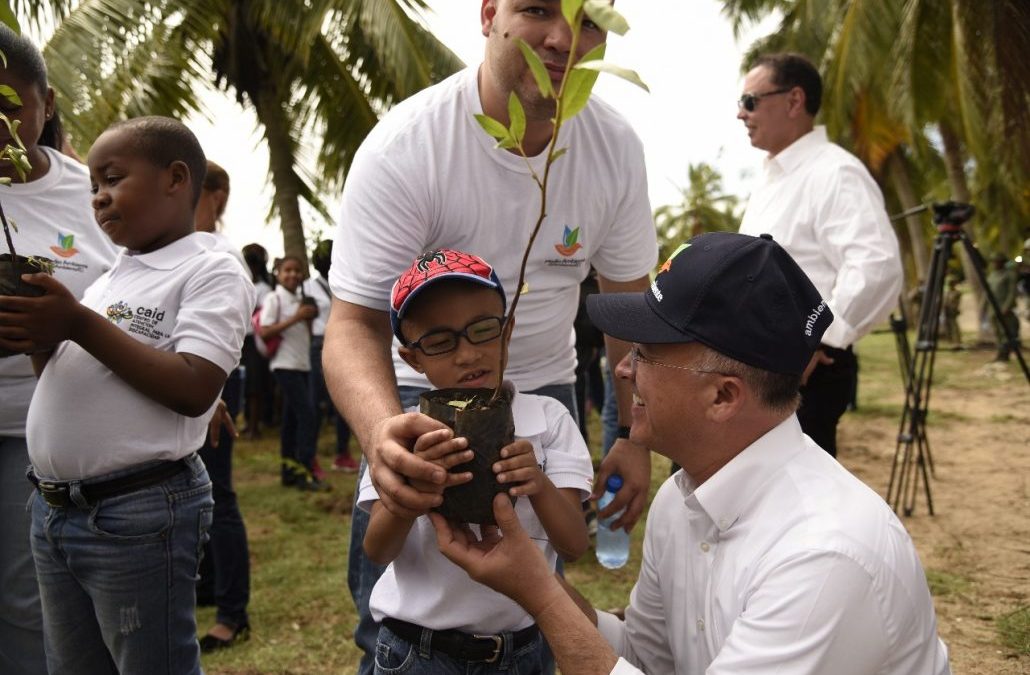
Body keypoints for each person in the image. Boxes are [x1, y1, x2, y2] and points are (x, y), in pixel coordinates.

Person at [432, 232, 952, 675]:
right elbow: (647, 657)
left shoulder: (822, 555)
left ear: (723, 396)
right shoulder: (681, 500)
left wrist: (542, 598)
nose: (622, 369)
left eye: (646, 354)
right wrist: (534, 580)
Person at [323, 3, 658, 670]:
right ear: (488, 13)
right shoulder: (409, 146)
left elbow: (628, 311)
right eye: (537, 8)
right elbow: (354, 324)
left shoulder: (613, 147)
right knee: (395, 615)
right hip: (422, 395)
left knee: (534, 597)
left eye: (589, 20)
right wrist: (384, 434)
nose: (563, 39)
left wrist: (634, 435)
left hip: (545, 392)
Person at [0, 115, 252, 674]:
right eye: (92, 187)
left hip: (136, 512)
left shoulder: (209, 269)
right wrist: (41, 334)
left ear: (176, 178)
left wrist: (75, 323)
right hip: (55, 508)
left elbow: (193, 387)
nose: (98, 199)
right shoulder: (115, 275)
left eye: (112, 179)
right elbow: (71, 378)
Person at [360, 248, 592, 673]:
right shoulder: (404, 435)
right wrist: (411, 493)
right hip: (418, 650)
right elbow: (376, 550)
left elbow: (574, 544)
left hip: (522, 650)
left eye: (483, 330)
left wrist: (537, 484)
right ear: (413, 358)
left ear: (507, 331)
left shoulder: (548, 420)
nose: (467, 354)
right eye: (439, 342)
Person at [0, 25, 119, 675]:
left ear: (45, 103)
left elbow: (140, 295)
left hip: (44, 427)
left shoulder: (93, 194)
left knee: (27, 598)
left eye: (9, 105)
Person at [736, 52, 902, 457]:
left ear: (794, 101)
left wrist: (819, 338)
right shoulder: (773, 177)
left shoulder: (833, 172)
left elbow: (877, 265)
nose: (740, 114)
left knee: (791, 504)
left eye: (750, 101)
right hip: (759, 366)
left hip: (804, 374)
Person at [193, 159, 253, 651]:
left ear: (214, 196)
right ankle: (208, 586)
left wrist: (212, 394)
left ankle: (232, 611)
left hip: (213, 385)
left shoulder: (221, 255)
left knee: (218, 495)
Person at [260, 255, 327, 490]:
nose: (293, 275)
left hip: (303, 365)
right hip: (284, 365)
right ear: (278, 273)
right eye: (287, 270)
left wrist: (307, 317)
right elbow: (265, 332)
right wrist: (296, 317)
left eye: (297, 270)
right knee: (308, 416)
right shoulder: (274, 298)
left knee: (290, 422)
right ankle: (305, 473)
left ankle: (288, 473)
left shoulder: (301, 299)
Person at [303, 239, 357, 472]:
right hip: (317, 346)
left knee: (343, 403)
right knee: (315, 403)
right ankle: (310, 457)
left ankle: (342, 453)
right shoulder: (308, 287)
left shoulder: (344, 284)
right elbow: (306, 320)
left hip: (342, 345)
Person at [241, 242, 274, 438]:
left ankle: (254, 425)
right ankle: (246, 422)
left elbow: (262, 315)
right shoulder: (243, 283)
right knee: (245, 384)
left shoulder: (264, 289)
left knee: (255, 385)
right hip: (239, 339)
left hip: (254, 341)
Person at [984, 252, 1019, 362]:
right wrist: (984, 306)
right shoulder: (992, 275)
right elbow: (987, 291)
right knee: (997, 332)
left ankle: (1005, 353)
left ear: (1002, 262)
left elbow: (1012, 293)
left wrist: (1006, 307)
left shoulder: (1009, 275)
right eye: (993, 262)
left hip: (1003, 309)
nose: (995, 264)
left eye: (997, 261)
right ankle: (1000, 352)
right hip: (992, 308)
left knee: (1005, 332)